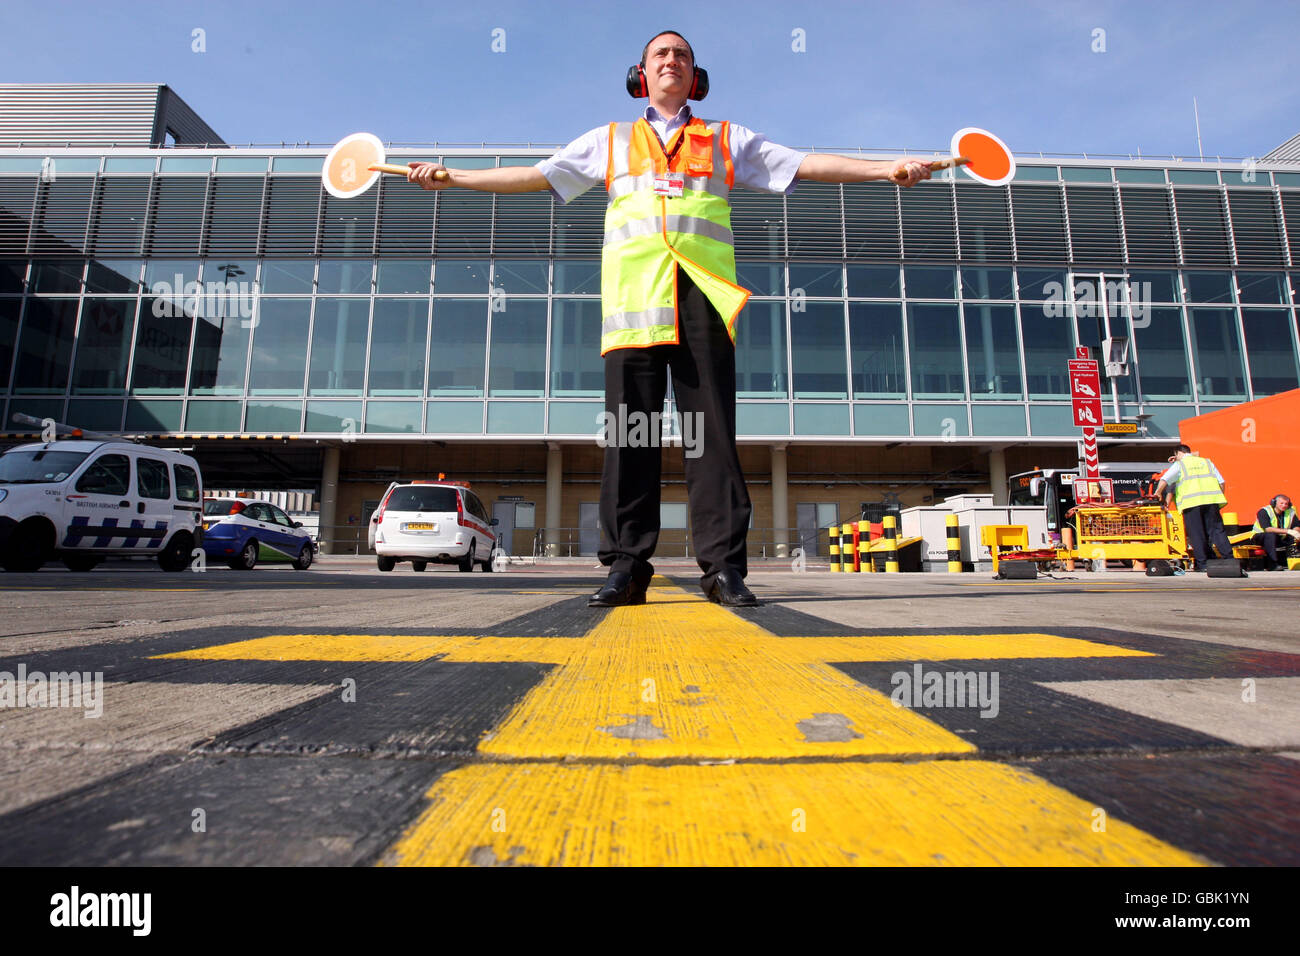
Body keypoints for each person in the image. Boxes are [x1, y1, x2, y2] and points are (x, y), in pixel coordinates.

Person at [407, 30, 932, 607]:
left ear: (695, 76)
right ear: (641, 73)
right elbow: (537, 174)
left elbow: (804, 164)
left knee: (711, 440)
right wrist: (452, 177)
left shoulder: (725, 138)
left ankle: (724, 570)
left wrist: (886, 169)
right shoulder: (611, 140)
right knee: (630, 438)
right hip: (634, 308)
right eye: (661, 54)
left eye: (681, 54)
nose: (671, 61)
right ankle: (627, 566)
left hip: (703, 299)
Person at [1153, 444, 1233, 570]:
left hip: (1191, 504)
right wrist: (1218, 498)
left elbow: (1164, 479)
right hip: (1211, 502)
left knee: (1197, 534)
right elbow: (1221, 482)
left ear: (1179, 453)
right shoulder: (1206, 462)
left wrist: (1157, 493)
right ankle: (1230, 560)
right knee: (1217, 532)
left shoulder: (1180, 465)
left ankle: (1203, 564)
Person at [1250, 494, 1300, 570]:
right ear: (1274, 503)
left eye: (1286, 504)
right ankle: (1272, 564)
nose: (1284, 505)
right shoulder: (1264, 511)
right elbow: (1267, 529)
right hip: (1260, 538)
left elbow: (1296, 525)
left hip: (1280, 537)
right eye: (1281, 503)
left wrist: (1296, 533)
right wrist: (1289, 531)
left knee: (1295, 536)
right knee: (1270, 535)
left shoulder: (1290, 512)